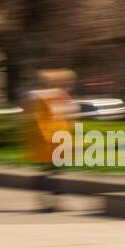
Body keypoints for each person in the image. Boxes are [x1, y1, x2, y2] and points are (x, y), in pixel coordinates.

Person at [24, 69, 76, 212]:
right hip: (48, 141)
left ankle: (50, 202)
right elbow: (37, 119)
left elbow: (68, 116)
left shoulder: (58, 95)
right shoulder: (39, 96)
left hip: (57, 139)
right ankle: (48, 203)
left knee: (52, 172)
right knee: (50, 172)